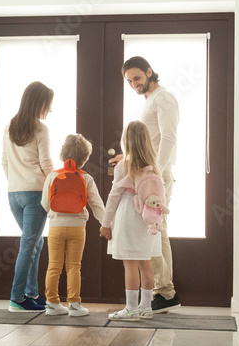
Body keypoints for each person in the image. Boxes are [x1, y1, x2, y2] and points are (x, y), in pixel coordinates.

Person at [117, 56, 181, 313]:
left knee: (154, 231)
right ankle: (165, 292)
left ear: (149, 72)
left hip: (155, 177)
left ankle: (165, 292)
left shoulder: (163, 98)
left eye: (137, 78)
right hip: (148, 174)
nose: (134, 84)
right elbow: (152, 141)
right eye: (129, 81)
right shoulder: (151, 101)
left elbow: (168, 137)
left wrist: (155, 171)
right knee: (156, 230)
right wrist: (130, 158)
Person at [101, 121, 166, 321]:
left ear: (125, 141)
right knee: (145, 262)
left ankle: (130, 309)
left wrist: (105, 223)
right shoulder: (154, 167)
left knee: (130, 263)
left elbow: (114, 196)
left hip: (129, 213)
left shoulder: (124, 166)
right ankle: (145, 308)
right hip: (148, 219)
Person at [1, 81, 55, 312]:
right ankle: (17, 298)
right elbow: (45, 164)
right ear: (40, 102)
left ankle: (31, 292)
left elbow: (4, 161)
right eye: (48, 105)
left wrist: (17, 181)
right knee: (28, 244)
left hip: (14, 193)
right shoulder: (40, 129)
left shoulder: (9, 127)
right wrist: (56, 185)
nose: (50, 110)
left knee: (35, 243)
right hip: (34, 193)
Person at [40, 134, 106, 317]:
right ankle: (74, 305)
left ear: (62, 154)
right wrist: (106, 224)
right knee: (74, 266)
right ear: (84, 159)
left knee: (53, 265)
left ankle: (52, 304)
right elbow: (97, 205)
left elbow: (45, 204)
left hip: (55, 227)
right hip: (77, 228)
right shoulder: (87, 179)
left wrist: (55, 215)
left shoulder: (53, 176)